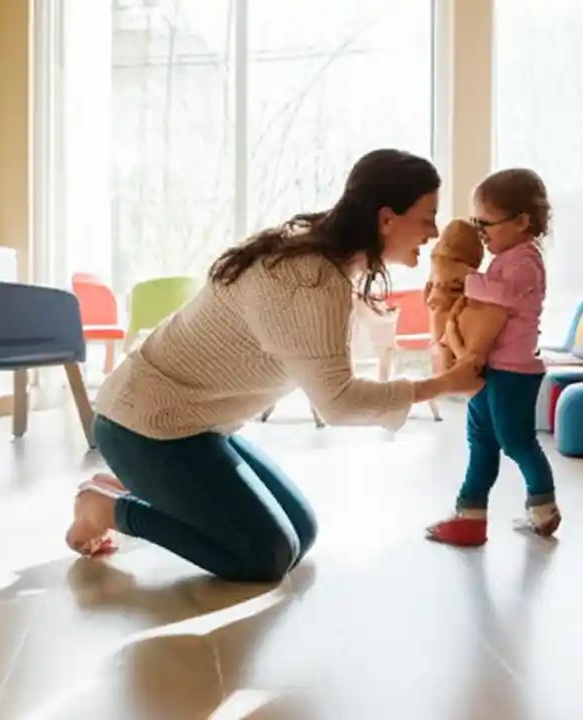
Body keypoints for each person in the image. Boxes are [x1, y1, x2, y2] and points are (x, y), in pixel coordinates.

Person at [65, 149, 485, 582]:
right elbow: (338, 402)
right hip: (143, 427)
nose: (434, 233)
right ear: (386, 219)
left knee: (302, 531)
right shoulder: (312, 280)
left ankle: (133, 486)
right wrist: (441, 384)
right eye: (427, 217)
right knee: (265, 556)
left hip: (195, 426)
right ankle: (109, 509)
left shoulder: (330, 265)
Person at [425, 168, 558, 547]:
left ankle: (544, 505)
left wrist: (462, 277)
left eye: (487, 224)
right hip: (491, 368)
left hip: (514, 371)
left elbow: (506, 296)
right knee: (480, 439)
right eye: (475, 222)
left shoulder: (525, 260)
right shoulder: (507, 257)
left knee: (516, 441)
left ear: (521, 222)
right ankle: (470, 515)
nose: (480, 232)